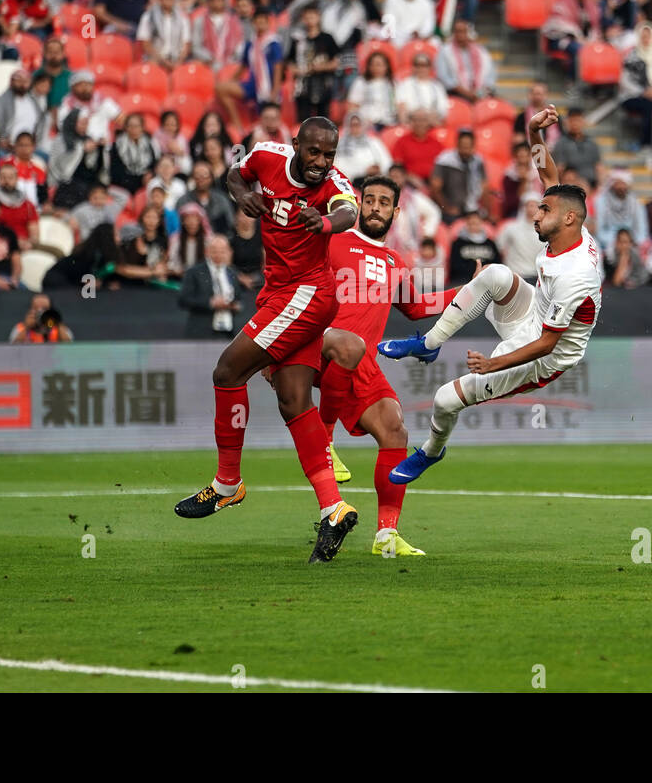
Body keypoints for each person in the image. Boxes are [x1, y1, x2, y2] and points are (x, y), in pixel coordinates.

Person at [377, 106, 601, 485]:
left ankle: (431, 451)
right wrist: (533, 133)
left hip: (544, 354)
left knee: (445, 399)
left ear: (567, 219)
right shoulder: (567, 227)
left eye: (543, 209)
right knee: (495, 272)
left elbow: (547, 344)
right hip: (535, 313)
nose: (535, 213)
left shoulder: (576, 275)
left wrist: (495, 365)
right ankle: (428, 343)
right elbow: (548, 173)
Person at [172, 118, 362, 567]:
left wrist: (328, 223)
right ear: (297, 145)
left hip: (308, 294)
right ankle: (333, 508)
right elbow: (235, 175)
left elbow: (348, 209)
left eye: (329, 155)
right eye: (313, 152)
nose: (321, 163)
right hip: (280, 291)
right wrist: (242, 196)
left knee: (227, 371)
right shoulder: (266, 155)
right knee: (294, 402)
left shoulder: (333, 185)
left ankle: (226, 484)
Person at [311, 174, 457, 556]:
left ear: (396, 210)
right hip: (323, 346)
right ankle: (323, 443)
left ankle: (386, 536)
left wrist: (469, 291)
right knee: (350, 348)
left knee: (395, 431)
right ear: (359, 205)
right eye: (369, 200)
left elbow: (417, 307)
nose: (375, 207)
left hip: (363, 361)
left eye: (383, 202)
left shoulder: (395, 261)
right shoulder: (334, 242)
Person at [179, 233, 242, 337]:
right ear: (206, 251)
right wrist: (210, 302)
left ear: (228, 252)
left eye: (222, 251)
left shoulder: (232, 272)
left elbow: (239, 299)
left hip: (228, 331)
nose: (218, 255)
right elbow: (183, 299)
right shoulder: (194, 272)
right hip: (202, 331)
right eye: (214, 251)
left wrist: (235, 306)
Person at [10, 294, 75, 342]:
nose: (40, 312)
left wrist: (56, 323)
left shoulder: (60, 328)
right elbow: (13, 350)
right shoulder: (20, 328)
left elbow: (70, 348)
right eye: (35, 308)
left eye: (45, 308)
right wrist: (27, 327)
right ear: (30, 310)